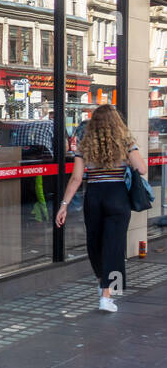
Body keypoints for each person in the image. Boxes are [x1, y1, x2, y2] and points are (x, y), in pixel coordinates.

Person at [57, 104, 149, 313]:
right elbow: (142, 169)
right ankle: (107, 295)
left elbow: (76, 179)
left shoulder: (85, 145)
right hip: (117, 197)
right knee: (113, 246)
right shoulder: (126, 143)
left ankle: (104, 285)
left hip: (94, 197)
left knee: (95, 244)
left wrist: (64, 205)